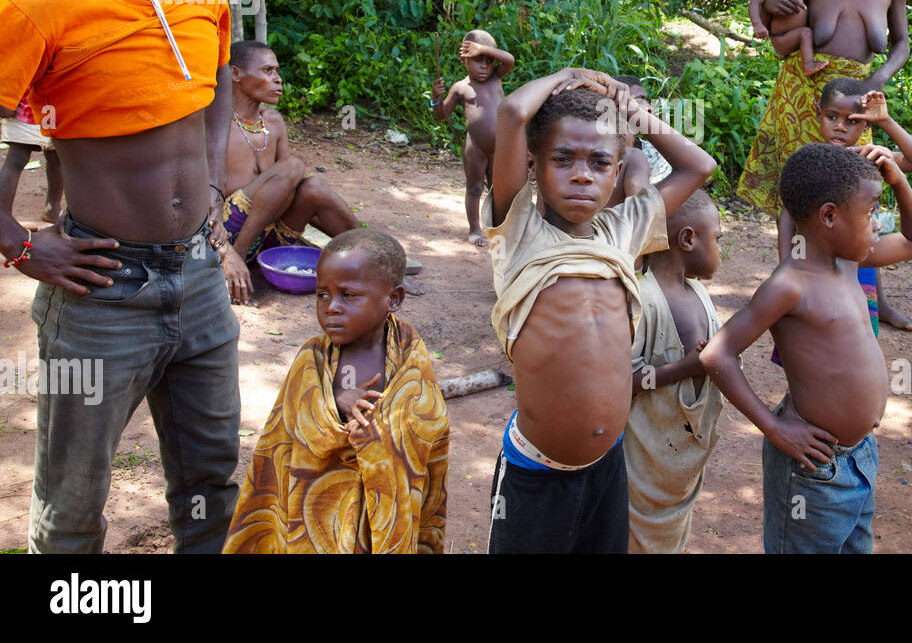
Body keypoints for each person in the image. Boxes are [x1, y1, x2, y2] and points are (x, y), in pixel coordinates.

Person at [0, 0, 240, 553]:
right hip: (102, 291)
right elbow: (10, 132)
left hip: (199, 278)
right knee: (73, 499)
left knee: (210, 480)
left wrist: (215, 180)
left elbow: (221, 83)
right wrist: (15, 245)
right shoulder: (40, 11)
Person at [483, 68, 715, 553]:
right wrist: (568, 76)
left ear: (617, 171)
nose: (582, 174)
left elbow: (699, 167)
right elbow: (510, 112)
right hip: (535, 472)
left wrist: (636, 117)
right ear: (533, 165)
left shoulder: (623, 231)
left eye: (599, 162)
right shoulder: (519, 229)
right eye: (562, 159)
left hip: (610, 465)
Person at [701, 142, 912, 553]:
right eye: (871, 211)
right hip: (811, 469)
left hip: (859, 456)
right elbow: (716, 353)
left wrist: (897, 181)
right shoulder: (790, 286)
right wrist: (775, 429)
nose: (879, 223)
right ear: (829, 216)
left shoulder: (850, 261)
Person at [223, 229, 450, 553]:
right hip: (318, 519)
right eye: (322, 294)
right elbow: (289, 436)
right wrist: (335, 401)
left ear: (394, 299)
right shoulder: (311, 359)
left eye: (348, 295)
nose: (331, 307)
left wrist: (383, 436)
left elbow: (430, 425)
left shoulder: (410, 359)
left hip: (381, 522)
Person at [738, 0, 909, 216]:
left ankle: (845, 266)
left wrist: (878, 79)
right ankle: (795, 263)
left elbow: (902, 42)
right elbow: (782, 6)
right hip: (804, 93)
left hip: (857, 103)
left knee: (853, 191)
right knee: (799, 191)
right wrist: (773, 6)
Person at [776, 78, 912, 335]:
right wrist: (785, 266)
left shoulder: (868, 158)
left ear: (866, 123)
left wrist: (885, 121)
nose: (840, 127)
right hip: (814, 257)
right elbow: (788, 216)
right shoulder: (812, 160)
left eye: (852, 121)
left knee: (854, 320)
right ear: (818, 113)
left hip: (858, 254)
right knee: (815, 323)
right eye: (832, 117)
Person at [219, 39, 361, 304]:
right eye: (268, 71)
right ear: (236, 74)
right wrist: (228, 253)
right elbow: (200, 201)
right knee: (294, 165)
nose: (278, 79)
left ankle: (375, 258)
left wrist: (320, 218)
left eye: (277, 71)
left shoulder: (273, 121)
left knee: (313, 187)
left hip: (268, 235)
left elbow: (291, 190)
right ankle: (236, 262)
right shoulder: (216, 124)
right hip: (225, 237)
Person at [625, 190, 725, 553]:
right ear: (687, 239)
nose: (720, 250)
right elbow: (623, 382)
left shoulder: (699, 291)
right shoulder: (643, 299)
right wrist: (683, 368)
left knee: (671, 539)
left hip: (681, 460)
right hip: (645, 462)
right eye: (717, 239)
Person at [431, 29, 515, 247]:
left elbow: (510, 60)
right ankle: (475, 229)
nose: (485, 66)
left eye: (489, 60)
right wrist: (435, 98)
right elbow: (441, 116)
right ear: (464, 60)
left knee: (498, 188)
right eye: (478, 60)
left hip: (499, 146)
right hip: (475, 147)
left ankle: (498, 227)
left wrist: (483, 49)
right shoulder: (461, 87)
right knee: (475, 188)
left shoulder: (497, 76)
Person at [0, 0, 65, 224]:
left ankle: (52, 208)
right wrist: (5, 99)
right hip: (25, 100)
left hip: (57, 100)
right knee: (17, 158)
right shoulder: (16, 9)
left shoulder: (59, 5)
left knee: (57, 156)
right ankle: (3, 217)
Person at [605, 75, 654, 207]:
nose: (650, 108)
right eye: (640, 100)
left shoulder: (653, 152)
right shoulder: (592, 147)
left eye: (647, 101)